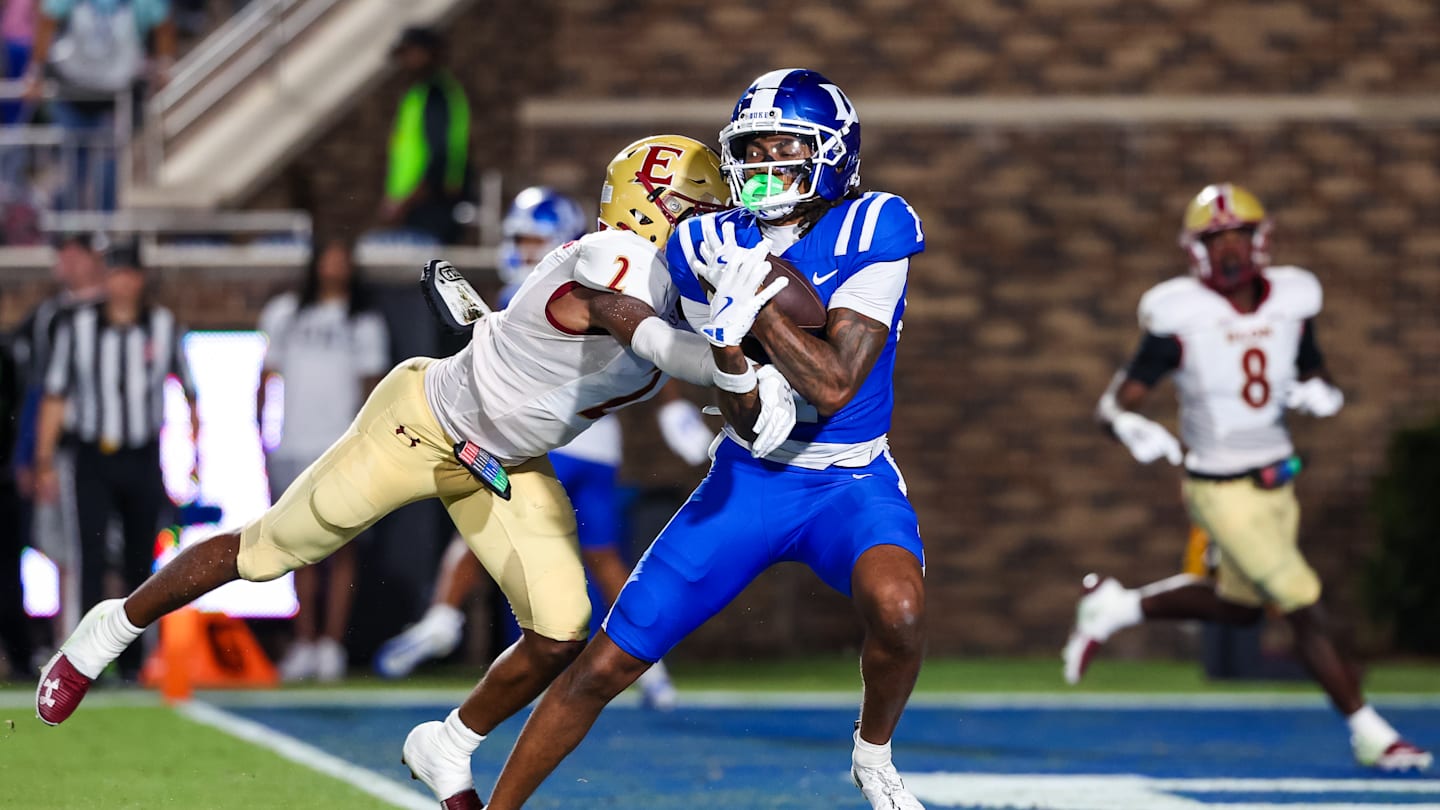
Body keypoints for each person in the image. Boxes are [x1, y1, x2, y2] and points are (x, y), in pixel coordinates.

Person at [35, 136, 796, 807]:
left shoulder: (678, 290)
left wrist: (759, 356)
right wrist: (729, 358)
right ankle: (109, 629)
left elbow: (685, 342)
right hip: (421, 423)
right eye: (699, 209)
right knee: (269, 552)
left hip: (502, 463)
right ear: (650, 208)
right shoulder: (607, 257)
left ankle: (449, 743)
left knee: (561, 629)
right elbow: (652, 340)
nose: (715, 225)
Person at [478, 68, 930, 810]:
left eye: (784, 147)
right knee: (605, 666)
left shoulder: (875, 223)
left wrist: (755, 307)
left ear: (834, 150)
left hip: (849, 478)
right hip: (750, 475)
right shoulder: (703, 239)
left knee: (900, 610)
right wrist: (524, 339)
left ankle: (873, 755)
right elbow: (660, 341)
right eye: (751, 149)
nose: (763, 164)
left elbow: (834, 385)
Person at [1064, 183, 1432, 772]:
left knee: (1240, 608)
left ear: (1261, 240)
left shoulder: (1293, 299)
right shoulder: (1180, 315)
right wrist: (1126, 424)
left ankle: (1118, 606)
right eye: (1216, 240)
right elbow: (1116, 403)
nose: (1229, 250)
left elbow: (1316, 374)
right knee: (1301, 600)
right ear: (1196, 249)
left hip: (1277, 482)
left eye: (1238, 236)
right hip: (1218, 488)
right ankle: (1371, 732)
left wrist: (1323, 393)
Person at [374, 188, 715, 711]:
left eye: (533, 239)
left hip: (548, 440)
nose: (524, 250)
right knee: (600, 556)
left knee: (489, 529)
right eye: (519, 240)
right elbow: (648, 344)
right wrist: (671, 408)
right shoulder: (607, 286)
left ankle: (444, 618)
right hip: (595, 445)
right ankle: (650, 668)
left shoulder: (545, 291)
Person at [34, 243, 198, 680]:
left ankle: (133, 662)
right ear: (107, 278)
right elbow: (55, 395)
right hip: (93, 455)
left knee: (141, 559)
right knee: (89, 554)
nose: (123, 283)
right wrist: (45, 460)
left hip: (143, 454)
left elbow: (189, 392)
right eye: (116, 274)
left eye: (130, 274)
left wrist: (195, 454)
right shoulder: (77, 327)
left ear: (141, 279)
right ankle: (87, 660)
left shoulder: (163, 326)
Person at [257, 235, 390, 682]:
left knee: (342, 546)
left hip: (341, 447)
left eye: (341, 259)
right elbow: (266, 376)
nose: (334, 268)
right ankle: (304, 641)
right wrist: (262, 434)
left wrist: (368, 446)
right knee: (298, 549)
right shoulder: (285, 313)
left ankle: (331, 645)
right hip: (293, 445)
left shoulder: (364, 323)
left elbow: (374, 389)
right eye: (327, 259)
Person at [11, 231, 105, 657]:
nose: (64, 264)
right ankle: (68, 644)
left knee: (113, 549)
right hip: (64, 449)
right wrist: (32, 455)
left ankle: (114, 646)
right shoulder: (48, 317)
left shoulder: (123, 312)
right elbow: (38, 392)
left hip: (115, 448)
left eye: (73, 255)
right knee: (64, 550)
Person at [23, 0, 176, 210]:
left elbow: (163, 26)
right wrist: (37, 72)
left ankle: (99, 222)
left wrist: (163, 67)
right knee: (75, 162)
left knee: (105, 163)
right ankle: (74, 223)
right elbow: (47, 20)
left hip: (114, 96)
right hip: (74, 91)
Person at [374, 25, 471, 245]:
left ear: (428, 53)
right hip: (417, 206)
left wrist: (405, 201)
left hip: (431, 205)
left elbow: (439, 156)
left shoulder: (436, 94)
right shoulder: (419, 94)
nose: (405, 61)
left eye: (410, 53)